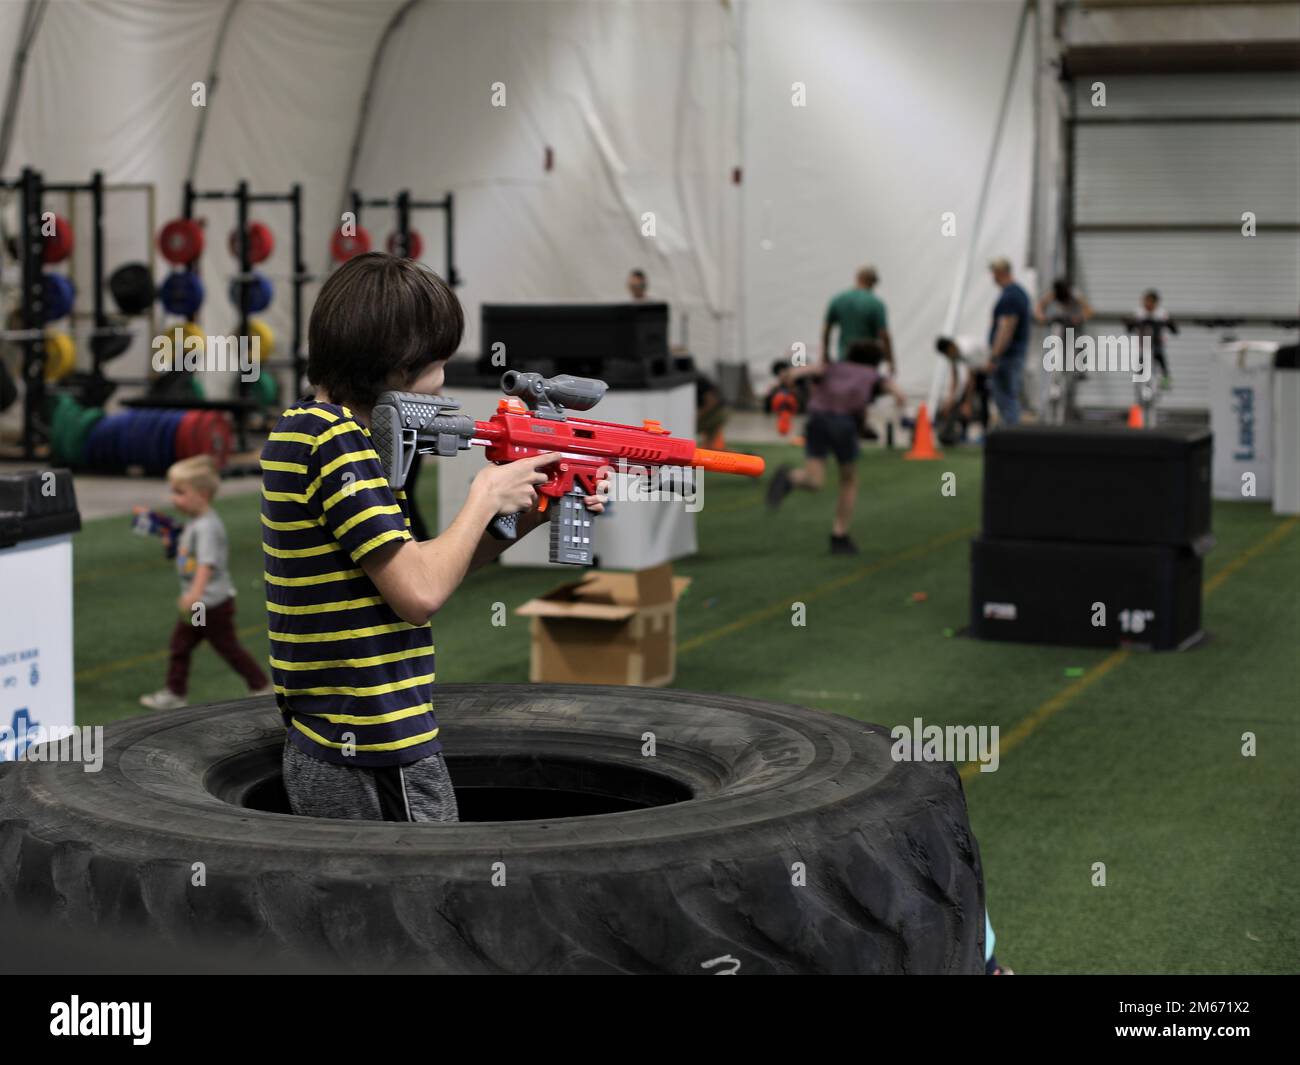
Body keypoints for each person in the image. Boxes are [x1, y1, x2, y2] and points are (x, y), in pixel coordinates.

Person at [262, 253, 606, 823]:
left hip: (344, 736)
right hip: (376, 746)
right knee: (426, 901)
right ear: (398, 368)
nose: (444, 383)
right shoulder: (339, 445)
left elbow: (417, 568)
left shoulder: (307, 428)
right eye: (438, 364)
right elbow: (419, 596)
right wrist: (484, 497)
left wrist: (529, 517)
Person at [139, 455, 271, 710]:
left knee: (226, 648)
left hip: (209, 605)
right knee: (181, 646)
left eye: (179, 492)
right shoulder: (195, 524)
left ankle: (260, 686)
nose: (172, 498)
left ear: (201, 494)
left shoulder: (207, 527)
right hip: (202, 605)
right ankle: (175, 692)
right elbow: (190, 557)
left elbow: (205, 565)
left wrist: (194, 595)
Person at [765, 340, 906, 555]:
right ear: (875, 362)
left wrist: (787, 379)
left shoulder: (834, 367)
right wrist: (899, 399)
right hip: (842, 423)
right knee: (848, 479)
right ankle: (839, 535)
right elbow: (894, 390)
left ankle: (790, 477)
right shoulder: (871, 374)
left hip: (817, 420)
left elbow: (804, 371)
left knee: (815, 480)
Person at [982, 257, 1032, 425]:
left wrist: (994, 356)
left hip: (1007, 357)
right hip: (1012, 355)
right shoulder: (1017, 293)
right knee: (1008, 398)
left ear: (1000, 272)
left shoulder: (1011, 295)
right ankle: (1012, 436)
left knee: (1006, 399)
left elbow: (1006, 329)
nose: (992, 277)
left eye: (994, 273)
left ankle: (1012, 437)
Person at [822, 265, 893, 372]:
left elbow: (826, 330)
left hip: (844, 358)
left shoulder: (838, 299)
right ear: (872, 282)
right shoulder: (876, 304)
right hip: (868, 363)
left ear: (857, 277)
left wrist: (825, 354)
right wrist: (890, 361)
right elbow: (884, 335)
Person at [934, 336, 989, 445]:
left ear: (950, 347)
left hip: (986, 368)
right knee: (959, 402)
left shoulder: (967, 350)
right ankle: (963, 434)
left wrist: (968, 403)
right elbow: (955, 377)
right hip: (975, 371)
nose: (948, 357)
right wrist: (950, 399)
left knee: (982, 399)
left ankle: (985, 434)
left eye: (947, 354)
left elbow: (971, 379)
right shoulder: (951, 352)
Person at [1126, 288, 1177, 389]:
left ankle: (1165, 381)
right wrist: (1130, 323)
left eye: (1149, 301)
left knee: (1162, 362)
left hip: (1157, 344)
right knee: (1140, 364)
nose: (1146, 304)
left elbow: (1172, 326)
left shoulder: (1161, 313)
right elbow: (1130, 325)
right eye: (1145, 301)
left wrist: (1170, 324)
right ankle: (1138, 384)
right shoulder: (1138, 312)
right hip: (1143, 345)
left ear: (1155, 303)